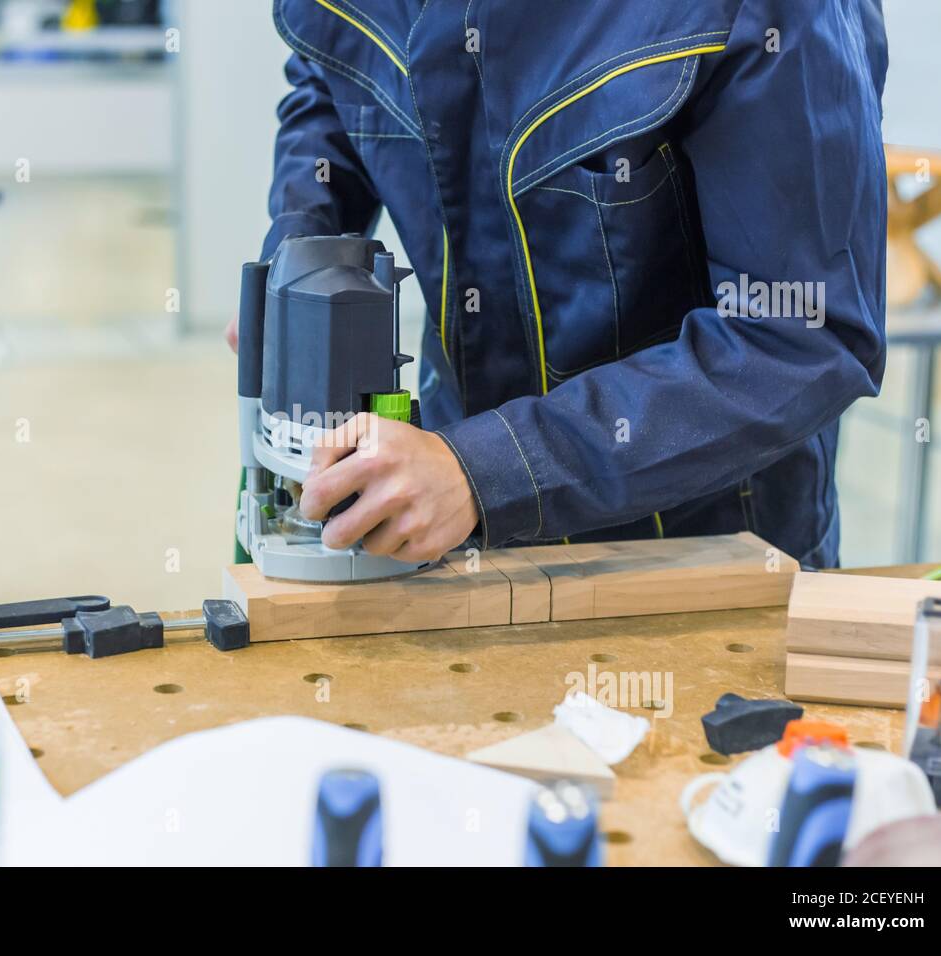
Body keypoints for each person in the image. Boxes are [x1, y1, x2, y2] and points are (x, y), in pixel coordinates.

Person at [226, 0, 888, 569]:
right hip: (446, 521)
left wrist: (484, 470)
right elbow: (332, 60)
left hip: (692, 555)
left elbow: (802, 338)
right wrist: (303, 245)